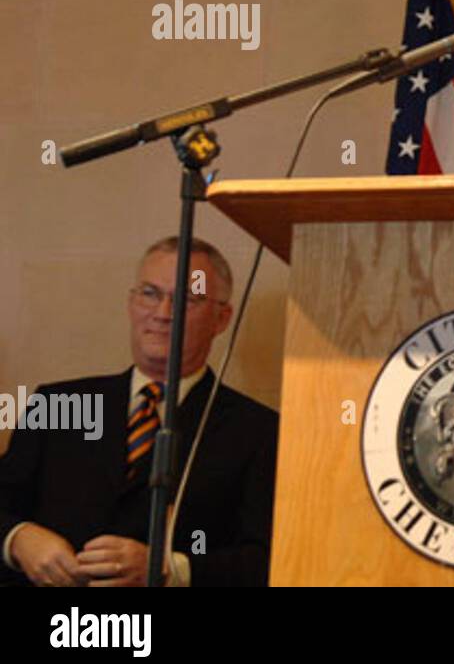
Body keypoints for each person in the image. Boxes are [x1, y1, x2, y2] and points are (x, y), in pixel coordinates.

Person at [0, 236, 277, 586]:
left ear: (221, 318)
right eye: (150, 293)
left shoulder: (258, 431)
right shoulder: (58, 403)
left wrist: (170, 569)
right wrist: (19, 538)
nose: (163, 314)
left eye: (187, 299)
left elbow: (266, 561)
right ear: (131, 303)